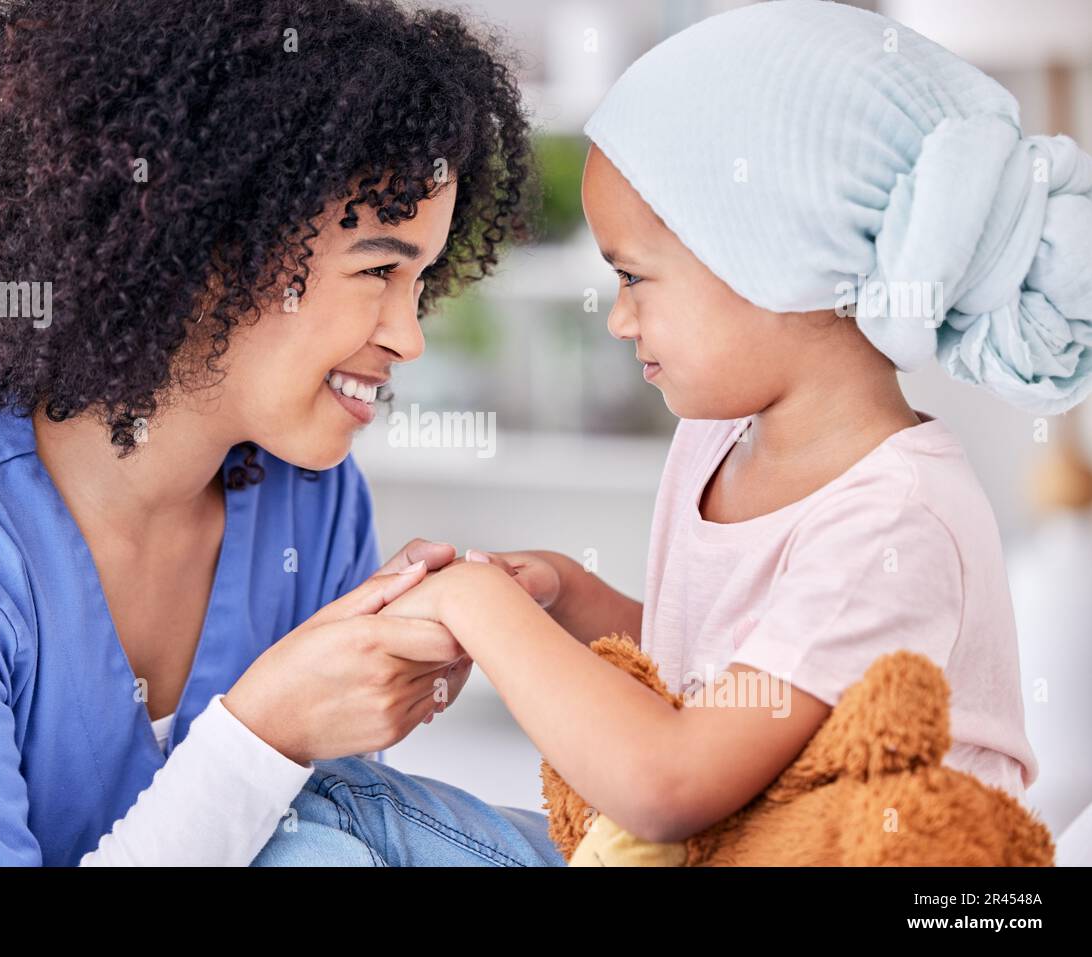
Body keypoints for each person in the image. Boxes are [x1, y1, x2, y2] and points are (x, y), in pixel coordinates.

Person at [255, 0, 1091, 864]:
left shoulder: (893, 522)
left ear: (776, 261)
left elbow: (670, 786)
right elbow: (726, 685)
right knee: (328, 809)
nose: (617, 320)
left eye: (633, 277)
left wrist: (482, 606)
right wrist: (569, 596)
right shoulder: (719, 441)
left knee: (343, 823)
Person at [0, 0, 539, 865]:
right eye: (377, 268)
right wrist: (263, 730)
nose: (409, 336)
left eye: (423, 277)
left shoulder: (313, 503)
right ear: (201, 240)